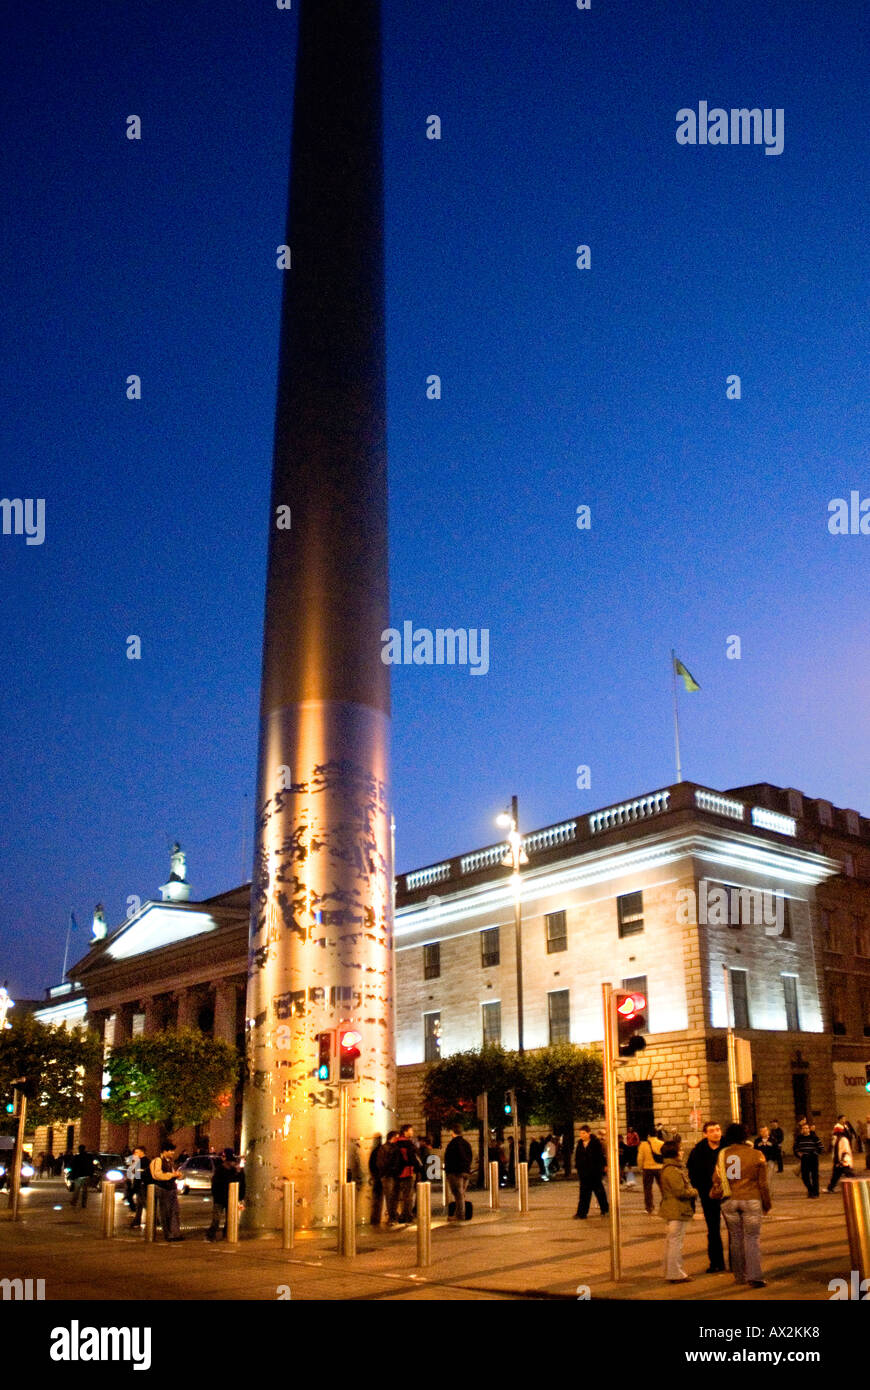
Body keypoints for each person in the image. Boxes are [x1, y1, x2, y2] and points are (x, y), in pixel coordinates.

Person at [712, 1121, 771, 1287]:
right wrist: (766, 1203)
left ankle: (739, 1275)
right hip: (751, 1198)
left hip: (729, 1200)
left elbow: (716, 1179)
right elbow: (763, 1184)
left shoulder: (723, 1154)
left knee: (736, 1238)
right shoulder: (756, 1154)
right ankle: (755, 1276)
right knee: (751, 1238)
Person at [687, 1121, 725, 1273]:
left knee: (734, 1229)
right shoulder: (698, 1151)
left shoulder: (727, 1149)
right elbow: (693, 1173)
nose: (716, 1133)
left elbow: (735, 1173)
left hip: (729, 1194)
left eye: (718, 1129)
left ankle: (736, 1262)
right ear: (705, 1134)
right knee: (713, 1229)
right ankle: (716, 1262)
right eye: (712, 1130)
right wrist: (704, 1189)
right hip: (708, 1195)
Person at [660, 1138, 697, 1283]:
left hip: (675, 1209)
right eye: (680, 1150)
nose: (682, 1152)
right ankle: (675, 1273)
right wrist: (694, 1191)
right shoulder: (672, 1170)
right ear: (674, 1153)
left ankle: (672, 1271)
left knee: (673, 1241)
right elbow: (680, 1191)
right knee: (675, 1242)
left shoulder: (672, 1168)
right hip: (677, 1209)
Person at [206, 1149, 245, 1241]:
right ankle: (211, 1235)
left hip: (230, 1197)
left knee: (229, 1218)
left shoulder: (235, 1171)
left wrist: (239, 1173)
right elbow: (215, 1184)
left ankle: (226, 1234)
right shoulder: (220, 1170)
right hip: (220, 1198)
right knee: (216, 1219)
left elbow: (241, 1183)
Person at [149, 1141, 184, 1242]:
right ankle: (169, 1234)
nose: (173, 1153)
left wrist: (177, 1175)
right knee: (166, 1212)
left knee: (175, 1211)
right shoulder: (158, 1160)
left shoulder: (169, 1161)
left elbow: (171, 1173)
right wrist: (172, 1175)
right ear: (164, 1151)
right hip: (163, 1188)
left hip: (171, 1188)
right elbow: (157, 1175)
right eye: (171, 1151)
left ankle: (175, 1233)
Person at [574, 1125, 609, 1218]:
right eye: (580, 1133)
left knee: (599, 1192)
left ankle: (605, 1209)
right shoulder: (580, 1144)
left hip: (594, 1172)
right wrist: (578, 1167)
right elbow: (577, 1157)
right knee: (584, 1194)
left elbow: (600, 1156)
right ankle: (581, 1213)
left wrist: (603, 1166)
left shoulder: (595, 1143)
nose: (581, 1135)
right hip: (584, 1173)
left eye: (583, 1133)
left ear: (588, 1133)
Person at [444, 1122, 473, 1221]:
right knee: (461, 1194)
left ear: (452, 1132)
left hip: (456, 1172)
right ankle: (458, 1213)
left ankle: (460, 1215)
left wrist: (448, 1171)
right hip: (465, 1171)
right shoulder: (466, 1143)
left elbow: (449, 1159)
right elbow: (469, 1156)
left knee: (458, 1194)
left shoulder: (452, 1144)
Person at [394, 1124, 423, 1224]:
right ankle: (408, 1215)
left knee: (400, 1196)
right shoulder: (408, 1143)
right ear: (405, 1132)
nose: (412, 1132)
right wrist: (418, 1167)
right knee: (408, 1195)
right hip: (407, 1171)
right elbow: (412, 1157)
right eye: (411, 1130)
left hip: (397, 1172)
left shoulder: (396, 1143)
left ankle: (401, 1215)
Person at [637, 1128, 664, 1214]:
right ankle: (664, 1205)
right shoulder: (661, 1143)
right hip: (660, 1168)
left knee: (647, 1189)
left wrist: (640, 1167)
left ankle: (649, 1207)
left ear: (648, 1135)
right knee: (663, 1188)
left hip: (647, 1168)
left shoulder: (643, 1145)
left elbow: (640, 1158)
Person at [794, 1121, 822, 1197]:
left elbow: (820, 1147)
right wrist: (798, 1154)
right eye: (803, 1128)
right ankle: (810, 1190)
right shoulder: (799, 1138)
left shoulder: (814, 1137)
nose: (805, 1130)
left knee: (814, 1176)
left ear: (809, 1129)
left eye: (806, 1128)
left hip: (813, 1158)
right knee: (805, 1177)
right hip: (804, 1158)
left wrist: (815, 1153)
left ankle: (815, 1193)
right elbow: (795, 1147)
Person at [379, 1130, 399, 1226]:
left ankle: (393, 1216)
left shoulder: (389, 1147)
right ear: (393, 1137)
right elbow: (381, 1163)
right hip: (388, 1175)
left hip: (391, 1175)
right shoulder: (385, 1148)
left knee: (393, 1197)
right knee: (390, 1197)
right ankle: (392, 1217)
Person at [827, 1123, 853, 1192]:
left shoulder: (843, 1140)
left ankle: (853, 1187)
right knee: (835, 1175)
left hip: (844, 1161)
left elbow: (845, 1150)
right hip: (838, 1160)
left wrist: (841, 1161)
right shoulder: (837, 1139)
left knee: (848, 1174)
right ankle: (830, 1188)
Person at [754, 1126, 778, 1192]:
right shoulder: (757, 1141)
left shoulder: (773, 1140)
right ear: (760, 1132)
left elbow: (776, 1151)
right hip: (760, 1162)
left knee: (768, 1178)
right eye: (762, 1131)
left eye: (765, 1131)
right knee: (761, 1178)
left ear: (768, 1131)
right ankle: (762, 1192)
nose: (764, 1133)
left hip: (770, 1161)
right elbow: (755, 1151)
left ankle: (768, 1192)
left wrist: (773, 1159)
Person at [69, 1144, 93, 1209]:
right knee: (85, 1191)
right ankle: (84, 1204)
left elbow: (73, 1167)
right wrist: (91, 1175)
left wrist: (72, 1177)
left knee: (77, 1190)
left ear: (79, 1149)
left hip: (78, 1176)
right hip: (86, 1176)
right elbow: (91, 1166)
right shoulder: (88, 1157)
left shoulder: (76, 1157)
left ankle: (74, 1202)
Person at [127, 1147, 146, 1228]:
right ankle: (136, 1221)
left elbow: (137, 1173)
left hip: (141, 1185)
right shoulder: (138, 1160)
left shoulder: (144, 1161)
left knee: (144, 1203)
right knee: (140, 1204)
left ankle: (156, 1220)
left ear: (142, 1152)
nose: (135, 1154)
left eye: (137, 1152)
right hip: (139, 1185)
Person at [368, 1133, 384, 1225]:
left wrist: (374, 1175)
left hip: (377, 1176)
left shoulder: (374, 1151)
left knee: (377, 1198)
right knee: (387, 1198)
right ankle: (376, 1218)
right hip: (382, 1176)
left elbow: (371, 1164)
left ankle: (375, 1218)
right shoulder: (381, 1149)